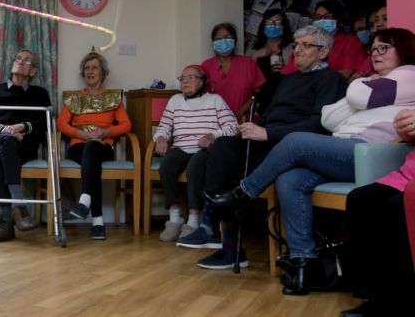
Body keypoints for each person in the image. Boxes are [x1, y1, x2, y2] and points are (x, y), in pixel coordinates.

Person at [206, 28, 415, 295]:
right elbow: (330, 118)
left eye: (384, 48)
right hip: (341, 149)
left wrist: (360, 87)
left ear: (405, 50)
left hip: (369, 153)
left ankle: (243, 193)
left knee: (295, 141)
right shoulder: (373, 83)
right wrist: (362, 87)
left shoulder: (409, 75)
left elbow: (353, 99)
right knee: (289, 178)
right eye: (373, 48)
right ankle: (304, 265)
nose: (376, 53)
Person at [178, 25, 347, 270]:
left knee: (229, 164)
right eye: (296, 45)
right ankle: (226, 242)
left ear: (323, 52)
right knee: (221, 147)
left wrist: (268, 132)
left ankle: (221, 227)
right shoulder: (287, 81)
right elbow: (270, 115)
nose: (297, 50)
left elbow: (320, 125)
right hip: (266, 137)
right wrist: (250, 128)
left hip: (292, 145)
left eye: (305, 45)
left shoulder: (333, 80)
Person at [340, 109, 415, 317]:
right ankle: (379, 297)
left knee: (397, 206)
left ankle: (404, 298)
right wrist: (407, 129)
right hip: (409, 174)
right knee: (360, 200)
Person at [0, 49, 52, 242]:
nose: (20, 62)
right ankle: (18, 205)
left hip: (23, 147)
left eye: (27, 60)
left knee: (1, 155)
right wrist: (4, 130)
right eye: (18, 59)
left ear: (33, 71)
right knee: (6, 141)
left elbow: (46, 121)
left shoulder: (40, 94)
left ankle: (5, 220)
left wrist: (23, 126)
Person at [152, 65, 237, 242]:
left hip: (204, 149)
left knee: (194, 168)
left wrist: (213, 135)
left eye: (191, 77)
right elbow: (164, 127)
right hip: (181, 148)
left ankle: (193, 221)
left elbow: (233, 127)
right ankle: (174, 220)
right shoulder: (175, 100)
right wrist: (160, 138)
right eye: (183, 79)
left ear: (203, 81)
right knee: (166, 166)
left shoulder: (215, 100)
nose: (186, 82)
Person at [56, 50, 131, 240]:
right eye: (87, 68)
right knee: (91, 157)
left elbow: (126, 125)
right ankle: (97, 221)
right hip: (77, 147)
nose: (90, 71)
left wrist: (106, 132)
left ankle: (85, 202)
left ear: (102, 73)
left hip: (103, 147)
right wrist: (79, 133)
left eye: (94, 68)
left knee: (93, 149)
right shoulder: (73, 97)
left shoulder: (114, 97)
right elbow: (60, 123)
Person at [282, 0, 365, 80]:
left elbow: (349, 73)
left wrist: (310, 80)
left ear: (340, 22)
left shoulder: (351, 41)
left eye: (328, 16)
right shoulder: (302, 44)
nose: (322, 20)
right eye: (318, 17)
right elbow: (287, 77)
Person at [202, 22, 266, 121]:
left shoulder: (248, 63)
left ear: (235, 40)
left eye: (228, 37)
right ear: (213, 41)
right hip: (215, 121)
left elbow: (257, 91)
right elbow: (202, 96)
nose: (223, 40)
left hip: (245, 120)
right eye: (219, 38)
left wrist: (241, 112)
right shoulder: (206, 66)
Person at [247, 8, 294, 112]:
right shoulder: (253, 49)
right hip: (260, 103)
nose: (273, 25)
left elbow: (301, 77)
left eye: (277, 22)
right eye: (269, 22)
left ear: (284, 27)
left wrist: (285, 71)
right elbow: (244, 77)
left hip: (284, 102)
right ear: (263, 26)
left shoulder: (292, 49)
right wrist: (254, 56)